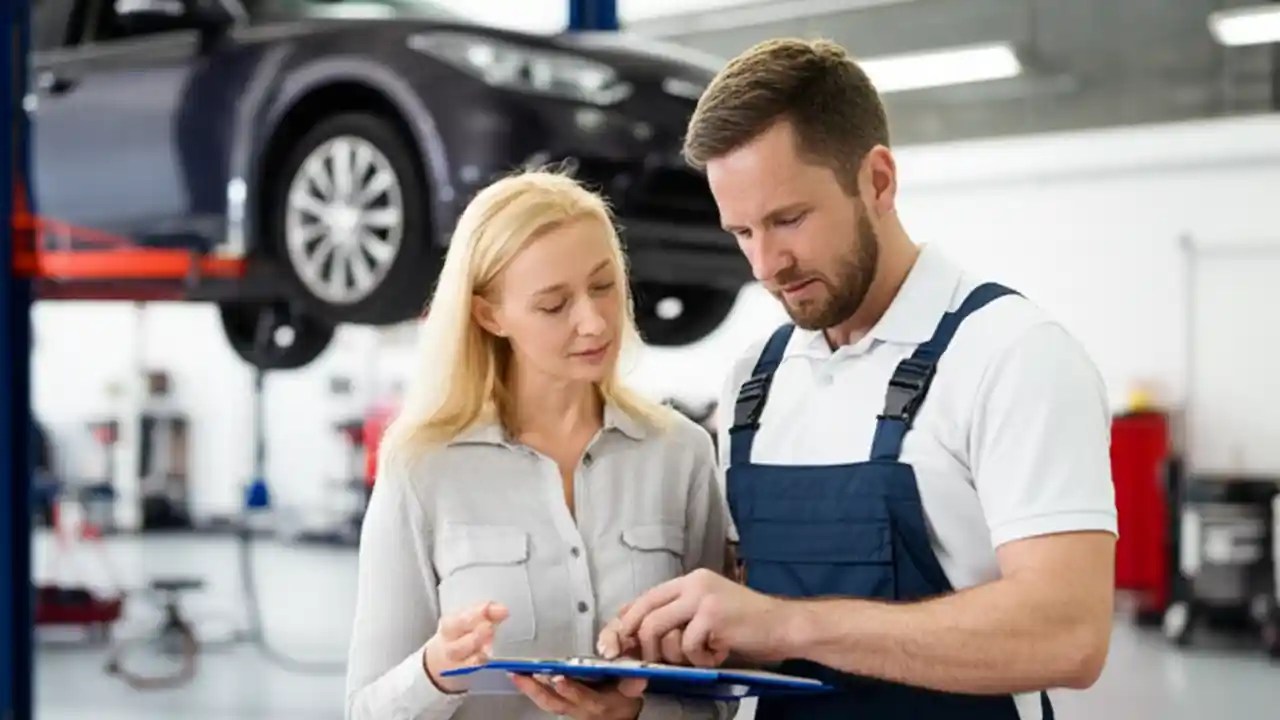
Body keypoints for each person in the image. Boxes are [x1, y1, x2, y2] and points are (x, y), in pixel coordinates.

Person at [599, 38, 1118, 720]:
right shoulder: (755, 379)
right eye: (742, 232)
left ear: (878, 181)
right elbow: (760, 640)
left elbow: (1068, 634)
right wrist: (661, 671)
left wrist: (788, 624)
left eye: (789, 219)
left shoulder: (1013, 355)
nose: (766, 264)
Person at [344, 171, 733, 720]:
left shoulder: (682, 454)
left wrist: (634, 716)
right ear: (489, 314)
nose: (594, 322)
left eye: (603, 286)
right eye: (554, 304)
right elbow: (365, 711)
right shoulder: (421, 467)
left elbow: (714, 698)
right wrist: (435, 670)